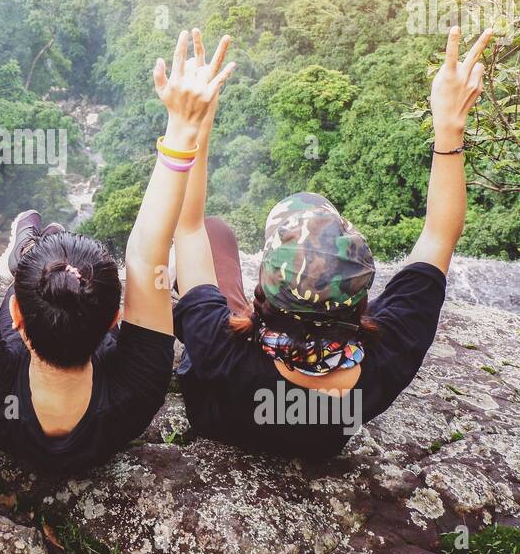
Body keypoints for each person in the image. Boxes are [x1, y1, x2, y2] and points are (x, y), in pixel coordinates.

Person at [0, 29, 234, 474]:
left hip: (41, 310)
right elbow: (147, 259)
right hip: (67, 320)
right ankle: (36, 253)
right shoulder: (136, 389)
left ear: (14, 317)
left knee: (42, 269)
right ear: (114, 321)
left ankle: (29, 253)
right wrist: (185, 127)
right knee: (57, 274)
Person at [171, 25, 493, 458]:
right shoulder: (386, 359)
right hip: (316, 439)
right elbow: (440, 235)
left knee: (213, 232)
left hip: (215, 417)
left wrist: (193, 127)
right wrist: (450, 128)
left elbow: (186, 227)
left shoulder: (218, 350)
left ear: (262, 292)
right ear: (361, 302)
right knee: (212, 238)